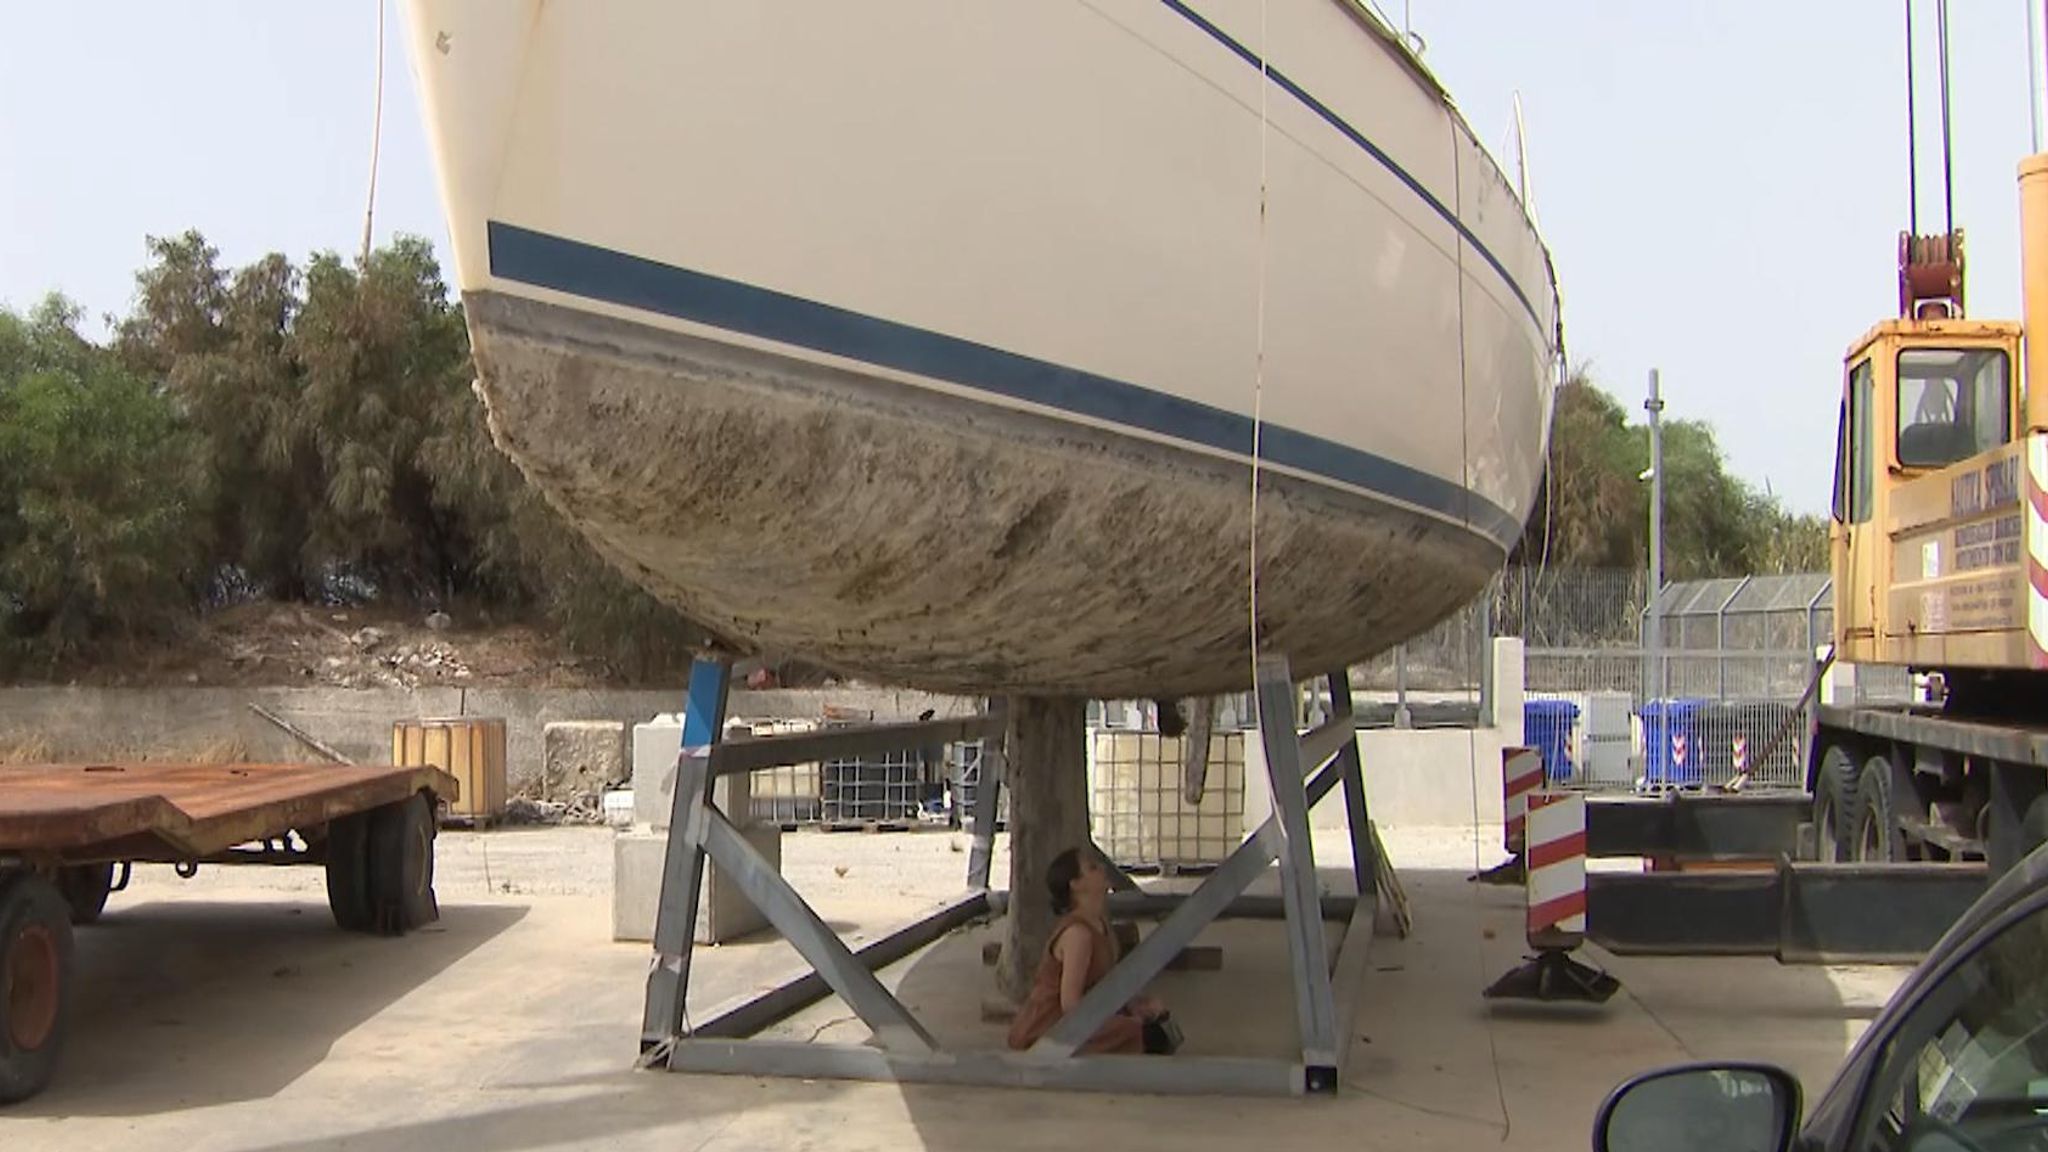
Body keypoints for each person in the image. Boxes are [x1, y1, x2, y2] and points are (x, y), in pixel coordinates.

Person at [1005, 847, 1175, 1055]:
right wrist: (1122, 1021)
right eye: (1092, 868)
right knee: (1151, 1035)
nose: (1102, 869)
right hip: (1053, 1025)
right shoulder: (1078, 934)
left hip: (1088, 1014)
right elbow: (1071, 1005)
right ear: (1076, 885)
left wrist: (1135, 1006)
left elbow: (1105, 983)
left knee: (1157, 1021)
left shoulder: (1101, 922)